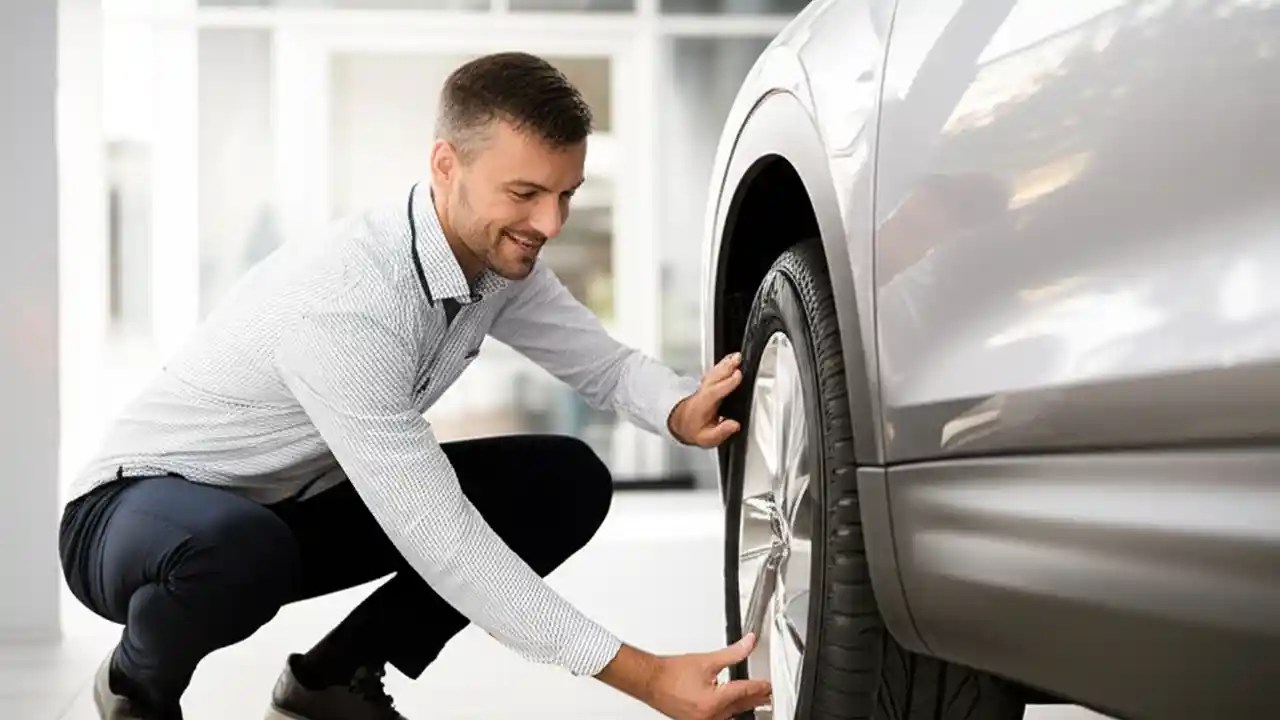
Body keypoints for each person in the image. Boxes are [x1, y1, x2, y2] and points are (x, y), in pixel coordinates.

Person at [58, 51, 772, 720]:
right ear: (445, 165)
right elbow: (445, 541)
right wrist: (647, 678)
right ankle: (135, 686)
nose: (549, 223)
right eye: (525, 193)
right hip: (130, 518)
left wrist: (678, 407)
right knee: (245, 551)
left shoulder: (493, 259)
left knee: (565, 481)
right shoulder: (349, 303)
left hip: (287, 510)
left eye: (565, 194)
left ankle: (332, 680)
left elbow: (604, 364)